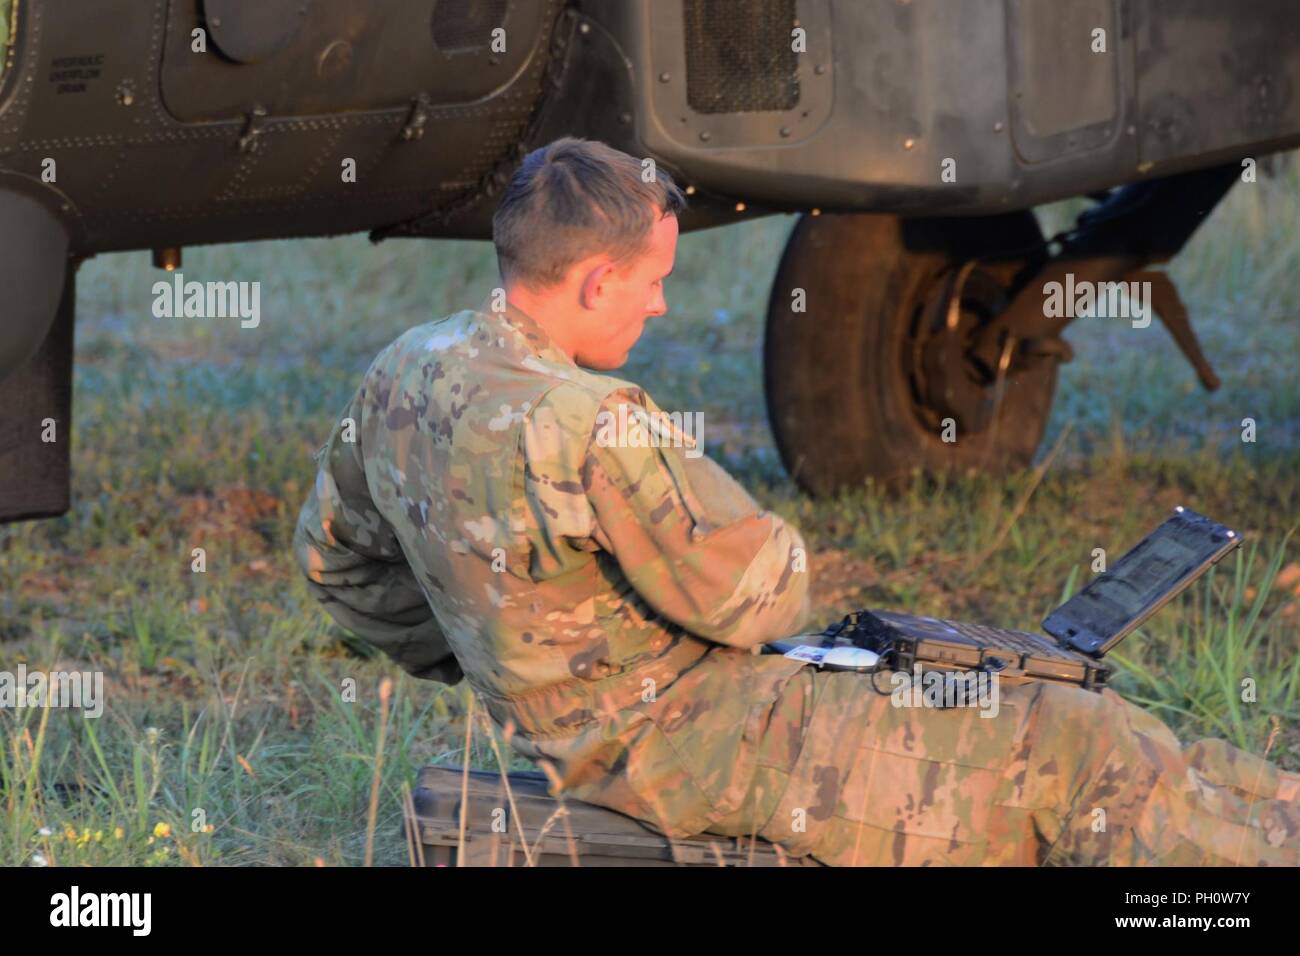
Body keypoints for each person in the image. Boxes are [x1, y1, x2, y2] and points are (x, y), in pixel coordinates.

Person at [294, 136, 1299, 865]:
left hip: (634, 728)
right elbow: (763, 591)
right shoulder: (594, 421)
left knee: (1084, 714)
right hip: (709, 745)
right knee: (1076, 747)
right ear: (597, 280)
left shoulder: (403, 370)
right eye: (652, 280)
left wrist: (486, 649)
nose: (660, 301)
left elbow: (336, 564)